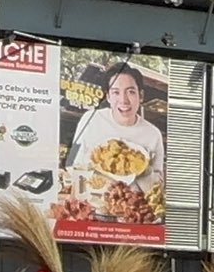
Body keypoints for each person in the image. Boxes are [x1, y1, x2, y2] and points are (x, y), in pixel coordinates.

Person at [63, 64, 166, 198]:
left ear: (140, 96)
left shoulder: (153, 134)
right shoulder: (91, 119)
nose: (123, 100)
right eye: (116, 92)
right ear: (108, 97)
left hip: (132, 208)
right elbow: (72, 164)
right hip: (94, 201)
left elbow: (157, 187)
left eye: (131, 92)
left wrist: (143, 171)